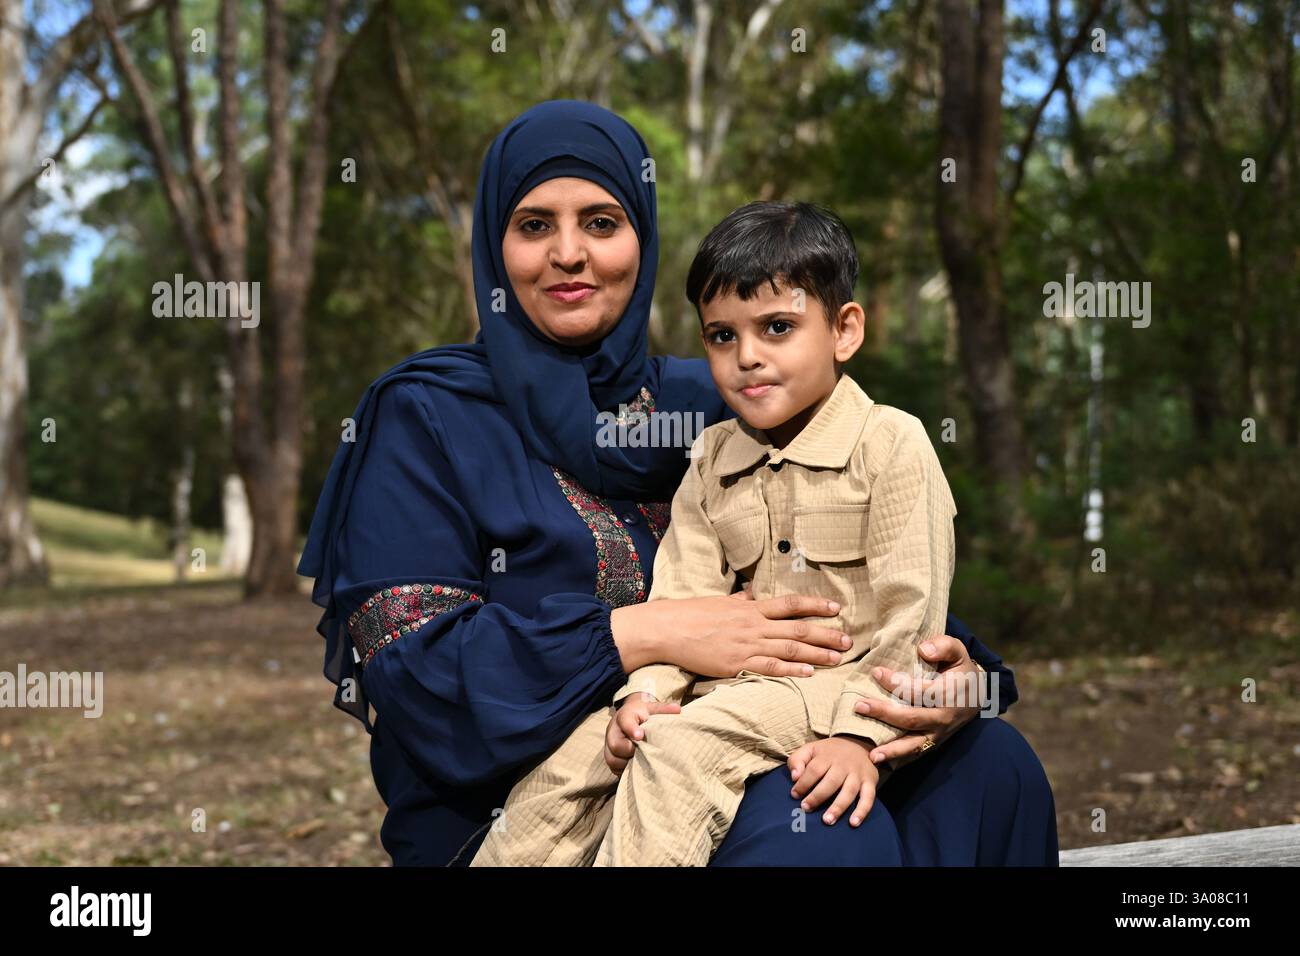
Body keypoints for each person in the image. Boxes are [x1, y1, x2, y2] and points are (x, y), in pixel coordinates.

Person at [297, 99, 1058, 867]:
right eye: (534, 225)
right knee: (818, 834)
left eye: (601, 222)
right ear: (495, 248)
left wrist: (955, 682)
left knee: (995, 771)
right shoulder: (426, 415)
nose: (569, 252)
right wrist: (652, 635)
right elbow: (415, 677)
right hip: (532, 801)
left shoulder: (710, 401)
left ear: (643, 238)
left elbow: (862, 571)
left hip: (754, 727)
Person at [473, 200, 976, 866]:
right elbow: (679, 599)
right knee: (567, 774)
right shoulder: (712, 456)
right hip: (727, 686)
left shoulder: (890, 444)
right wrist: (645, 697)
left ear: (844, 330)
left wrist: (859, 739)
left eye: (777, 327)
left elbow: (913, 623)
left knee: (678, 752)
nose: (748, 358)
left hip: (838, 682)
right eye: (721, 336)